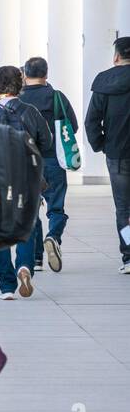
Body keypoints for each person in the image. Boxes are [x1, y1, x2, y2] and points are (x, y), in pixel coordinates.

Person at [0, 66, 53, 299]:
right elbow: (47, 142)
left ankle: (7, 286)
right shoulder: (30, 111)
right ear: (20, 85)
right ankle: (24, 266)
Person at [19, 56, 78, 272]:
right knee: (56, 207)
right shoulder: (56, 97)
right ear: (46, 74)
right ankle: (53, 237)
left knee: (31, 210)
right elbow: (72, 126)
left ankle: (36, 258)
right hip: (53, 159)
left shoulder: (19, 98)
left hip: (26, 161)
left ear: (25, 74)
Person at [85, 36, 130, 274]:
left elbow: (92, 120)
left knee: (124, 209)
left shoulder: (104, 82)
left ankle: (129, 255)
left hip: (117, 154)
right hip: (117, 151)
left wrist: (102, 144)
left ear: (116, 57)